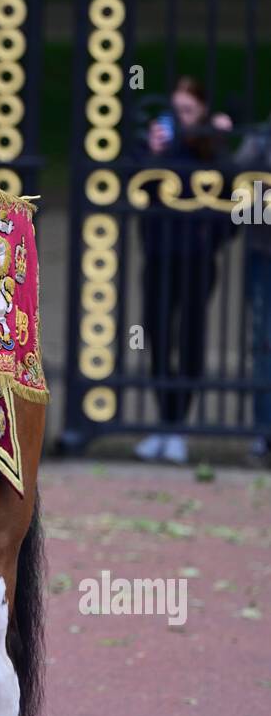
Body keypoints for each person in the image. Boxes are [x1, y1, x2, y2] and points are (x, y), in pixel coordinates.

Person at [136, 76, 232, 464]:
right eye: (176, 110)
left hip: (196, 261)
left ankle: (177, 426)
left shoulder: (212, 151)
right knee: (156, 336)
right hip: (159, 257)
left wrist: (211, 240)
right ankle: (164, 421)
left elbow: (237, 203)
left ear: (204, 112)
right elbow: (129, 187)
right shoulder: (155, 148)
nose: (182, 119)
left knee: (190, 340)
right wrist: (152, 153)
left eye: (189, 111)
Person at [233, 117, 271, 458]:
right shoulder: (259, 138)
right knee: (264, 343)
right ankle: (263, 430)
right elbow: (238, 181)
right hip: (265, 254)